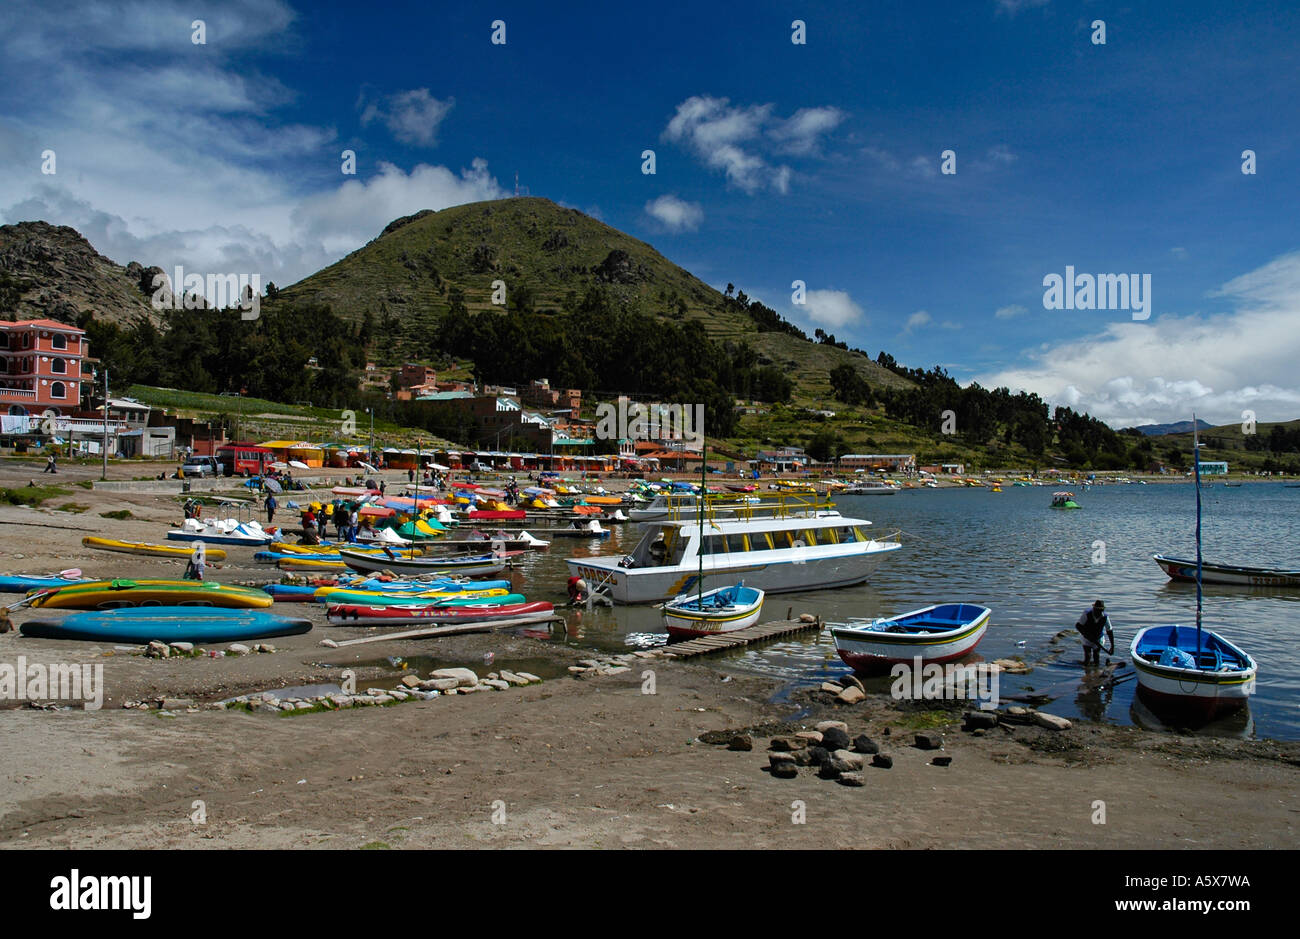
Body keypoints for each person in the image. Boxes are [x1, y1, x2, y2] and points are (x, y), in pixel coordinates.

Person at [1075, 600, 1113, 666]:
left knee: (1096, 656)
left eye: (1100, 610)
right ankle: (1087, 671)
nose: (1098, 612)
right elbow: (1078, 626)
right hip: (1086, 637)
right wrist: (1087, 635)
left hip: (1098, 638)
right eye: (1096, 609)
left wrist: (1112, 646)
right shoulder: (1087, 613)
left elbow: (1109, 631)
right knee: (1088, 656)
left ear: (1102, 610)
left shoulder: (1105, 617)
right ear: (1094, 608)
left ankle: (1096, 670)